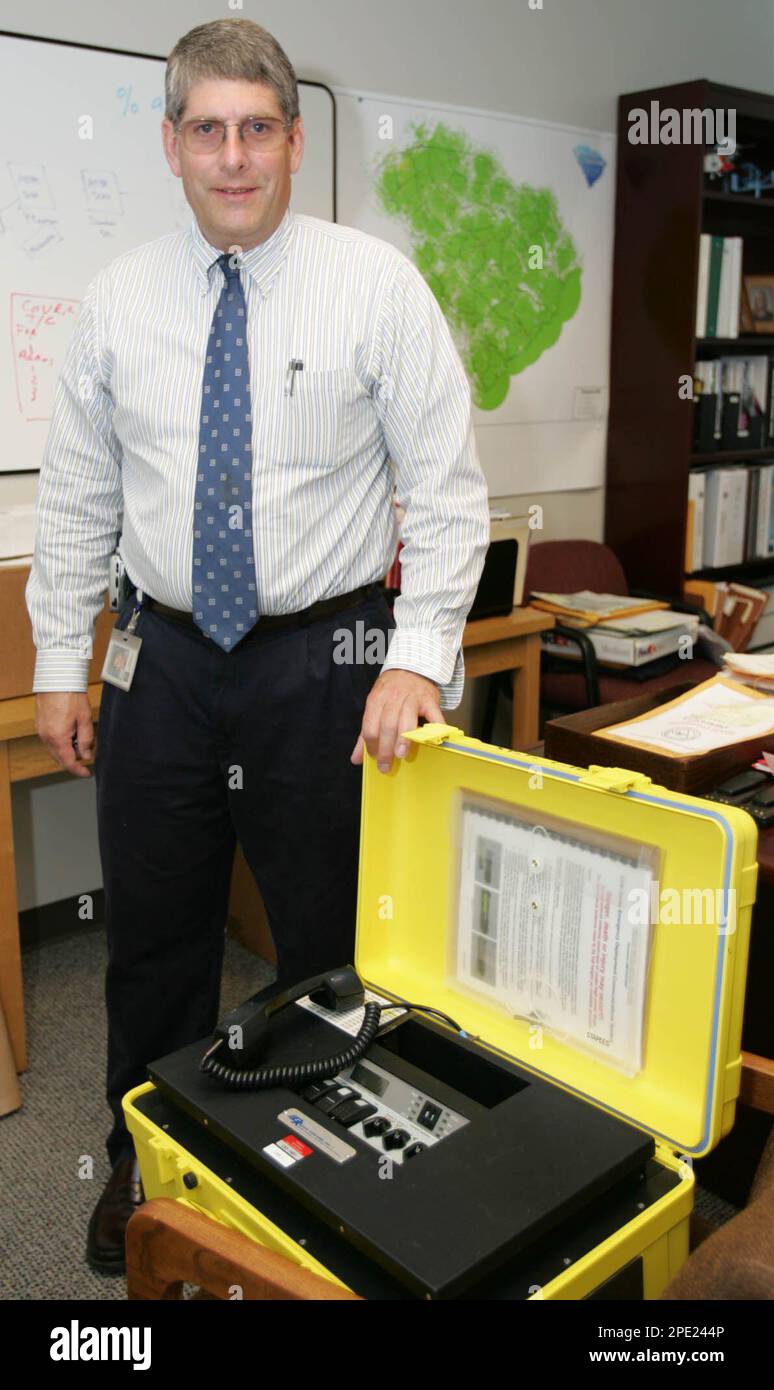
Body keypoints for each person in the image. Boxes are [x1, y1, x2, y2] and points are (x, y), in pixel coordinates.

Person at [26, 17, 489, 1276]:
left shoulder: (376, 287)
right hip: (163, 661)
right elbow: (75, 501)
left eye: (258, 129)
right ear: (172, 144)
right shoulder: (120, 305)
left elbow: (447, 494)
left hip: (327, 662)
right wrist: (62, 664)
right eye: (207, 130)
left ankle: (341, 1180)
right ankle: (143, 1156)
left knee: (335, 941)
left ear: (291, 140)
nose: (234, 157)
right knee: (157, 939)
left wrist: (415, 655)